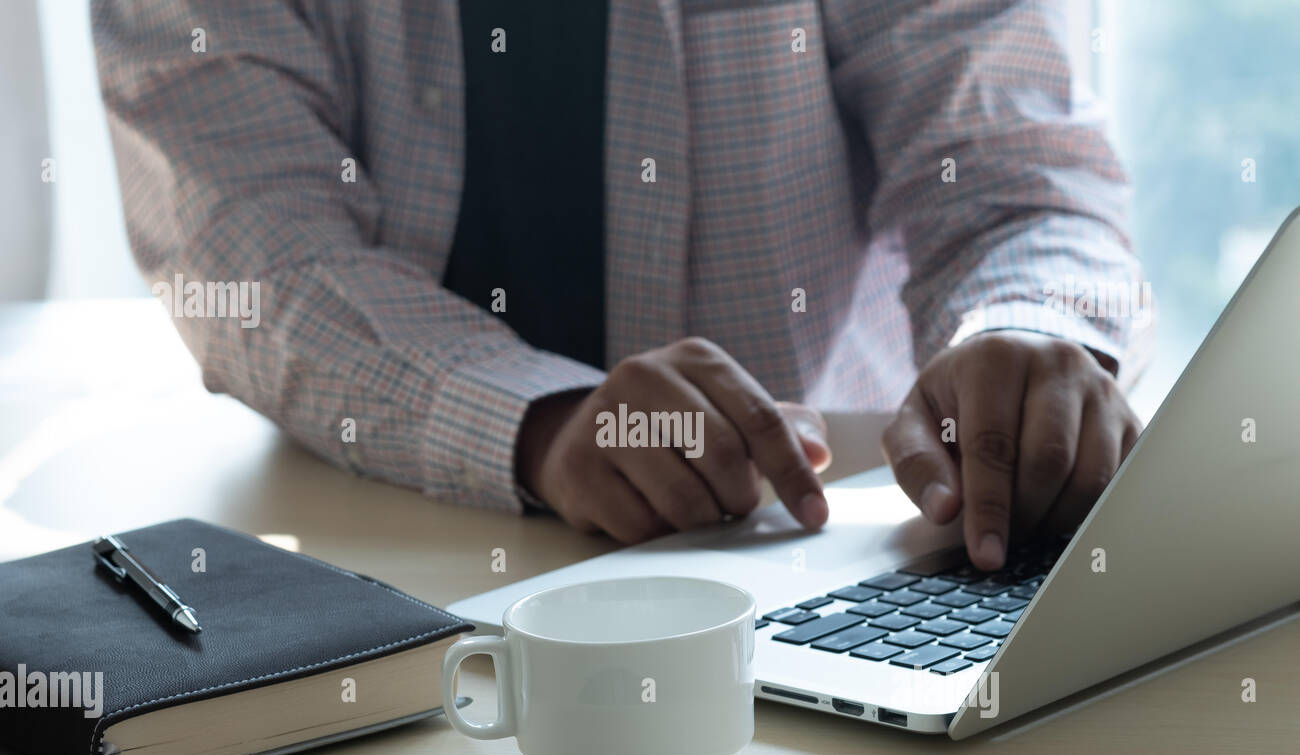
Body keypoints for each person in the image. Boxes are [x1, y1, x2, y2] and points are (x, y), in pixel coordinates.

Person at [94, 0, 1150, 570]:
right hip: (381, 562)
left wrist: (1029, 329)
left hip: (839, 554)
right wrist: (537, 421)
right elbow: (247, 249)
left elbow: (1014, 182)